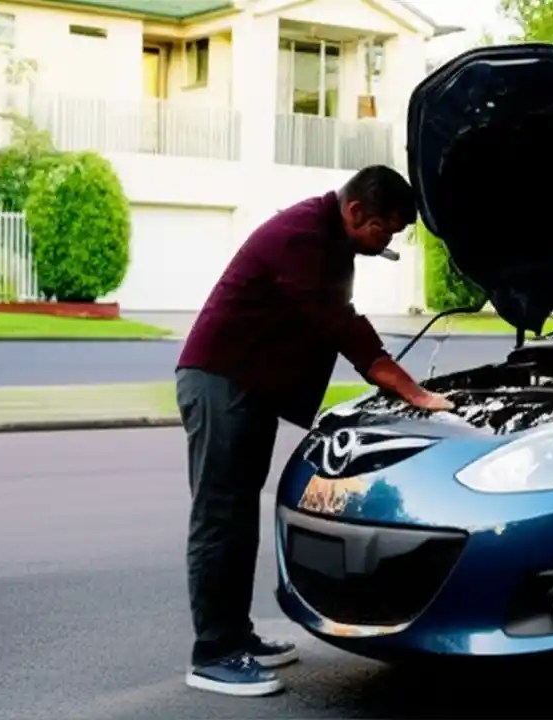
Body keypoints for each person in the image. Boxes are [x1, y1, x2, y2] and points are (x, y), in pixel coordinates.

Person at [174, 165, 455, 697]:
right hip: (220, 381)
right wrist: (414, 392)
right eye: (385, 230)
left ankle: (236, 636)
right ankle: (212, 653)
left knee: (237, 514)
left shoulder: (328, 238)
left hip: (245, 386)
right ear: (355, 212)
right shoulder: (302, 237)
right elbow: (343, 326)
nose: (387, 242)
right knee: (220, 516)